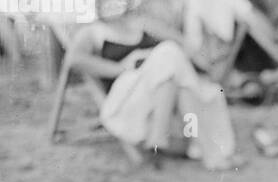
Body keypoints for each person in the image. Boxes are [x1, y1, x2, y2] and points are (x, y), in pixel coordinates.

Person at [47, 5, 239, 169]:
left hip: (161, 85)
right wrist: (119, 68)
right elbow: (74, 60)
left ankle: (172, 140)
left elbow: (182, 43)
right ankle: (186, 144)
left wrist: (202, 60)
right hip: (128, 92)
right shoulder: (92, 31)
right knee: (169, 54)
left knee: (173, 64)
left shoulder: (141, 22)